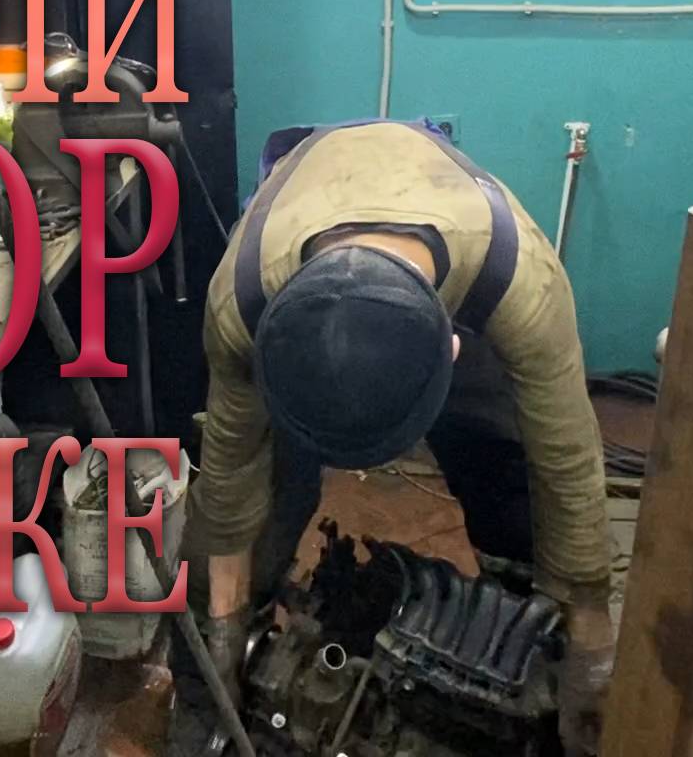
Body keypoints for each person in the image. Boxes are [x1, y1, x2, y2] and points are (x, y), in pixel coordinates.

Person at [172, 120, 616, 753]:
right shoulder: (240, 307)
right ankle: (208, 692)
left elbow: (568, 467)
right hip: (303, 232)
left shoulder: (522, 285)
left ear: (453, 348)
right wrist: (222, 636)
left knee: (510, 478)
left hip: (452, 257)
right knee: (266, 501)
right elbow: (227, 484)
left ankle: (521, 642)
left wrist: (589, 651)